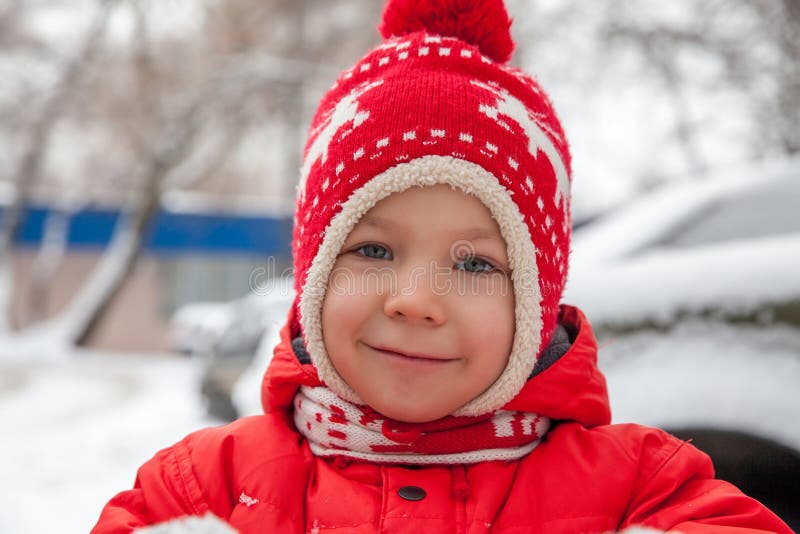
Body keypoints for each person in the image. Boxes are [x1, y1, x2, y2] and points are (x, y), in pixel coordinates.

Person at [92, 1, 791, 532]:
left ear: (535, 303)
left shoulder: (640, 490)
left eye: (477, 264)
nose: (416, 300)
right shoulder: (210, 491)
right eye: (372, 249)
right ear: (313, 277)